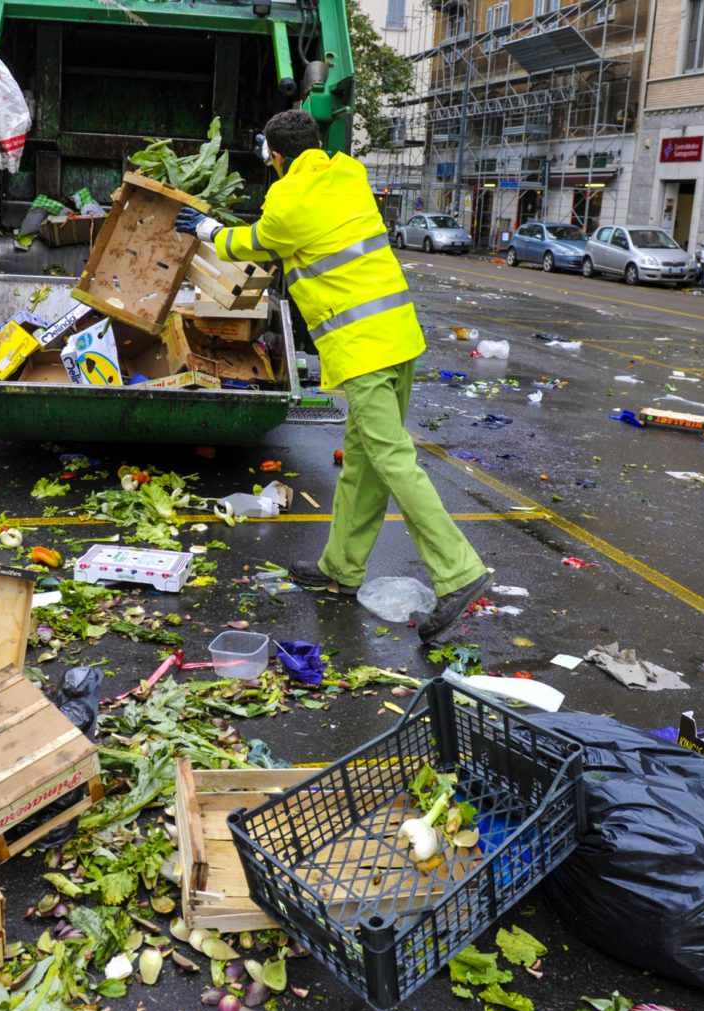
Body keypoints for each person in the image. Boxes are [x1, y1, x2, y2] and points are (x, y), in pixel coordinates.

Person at [175, 109, 489, 643]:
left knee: (390, 458)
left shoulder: (288, 198)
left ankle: (459, 573)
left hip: (362, 346)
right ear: (318, 143)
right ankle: (341, 568)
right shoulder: (349, 174)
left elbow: (259, 242)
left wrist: (209, 231)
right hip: (398, 336)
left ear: (274, 155)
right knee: (363, 462)